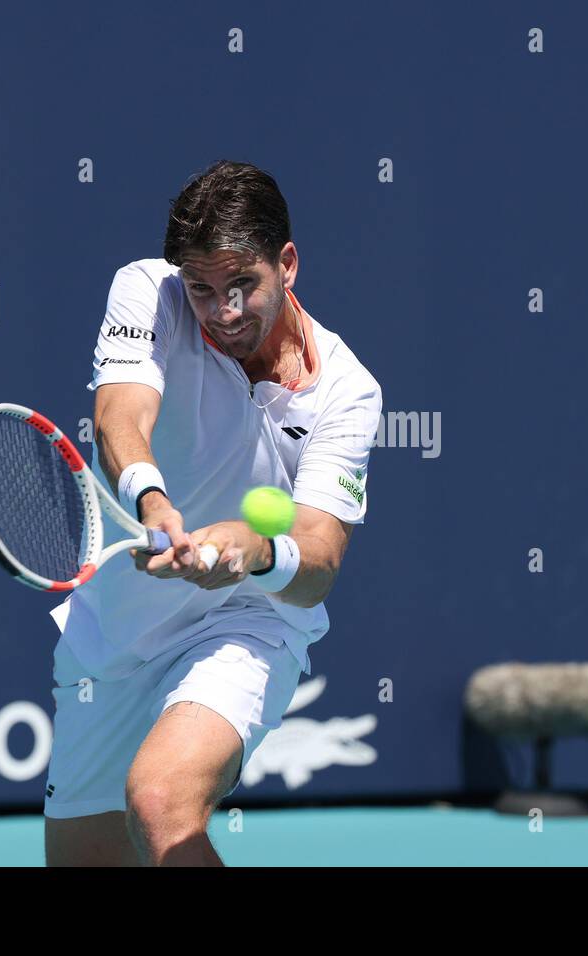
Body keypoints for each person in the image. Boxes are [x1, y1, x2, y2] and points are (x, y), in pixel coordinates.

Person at [43, 160, 382, 866]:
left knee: (163, 801)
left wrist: (254, 552)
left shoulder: (348, 393)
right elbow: (119, 416)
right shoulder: (148, 292)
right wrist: (152, 499)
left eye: (242, 287)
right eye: (203, 289)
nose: (223, 312)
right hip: (111, 632)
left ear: (286, 263)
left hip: (247, 621)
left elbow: (317, 561)